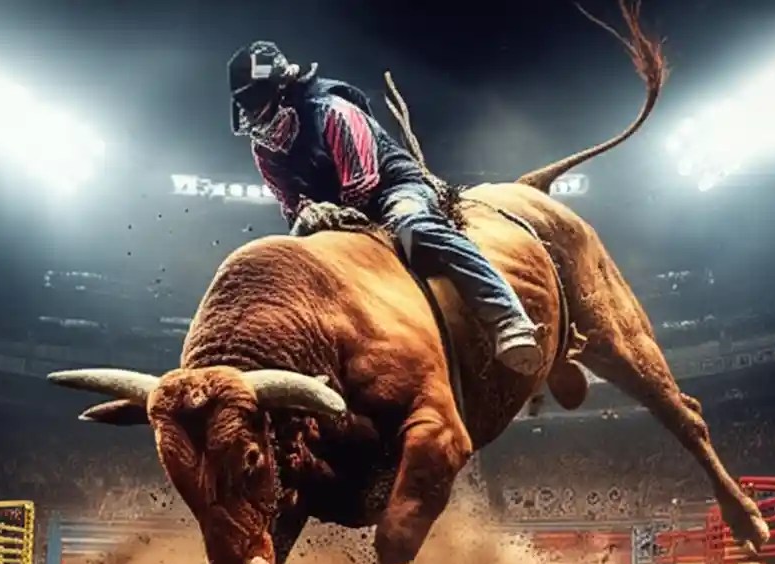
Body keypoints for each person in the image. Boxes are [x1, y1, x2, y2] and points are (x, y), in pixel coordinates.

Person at [226, 41, 543, 375]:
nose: (249, 111)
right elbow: (289, 203)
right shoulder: (264, 151)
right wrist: (305, 214)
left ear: (282, 90)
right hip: (331, 213)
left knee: (414, 226)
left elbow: (361, 185)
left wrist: (327, 217)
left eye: (253, 100)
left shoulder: (333, 111)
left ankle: (507, 318)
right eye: (244, 103)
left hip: (390, 190)